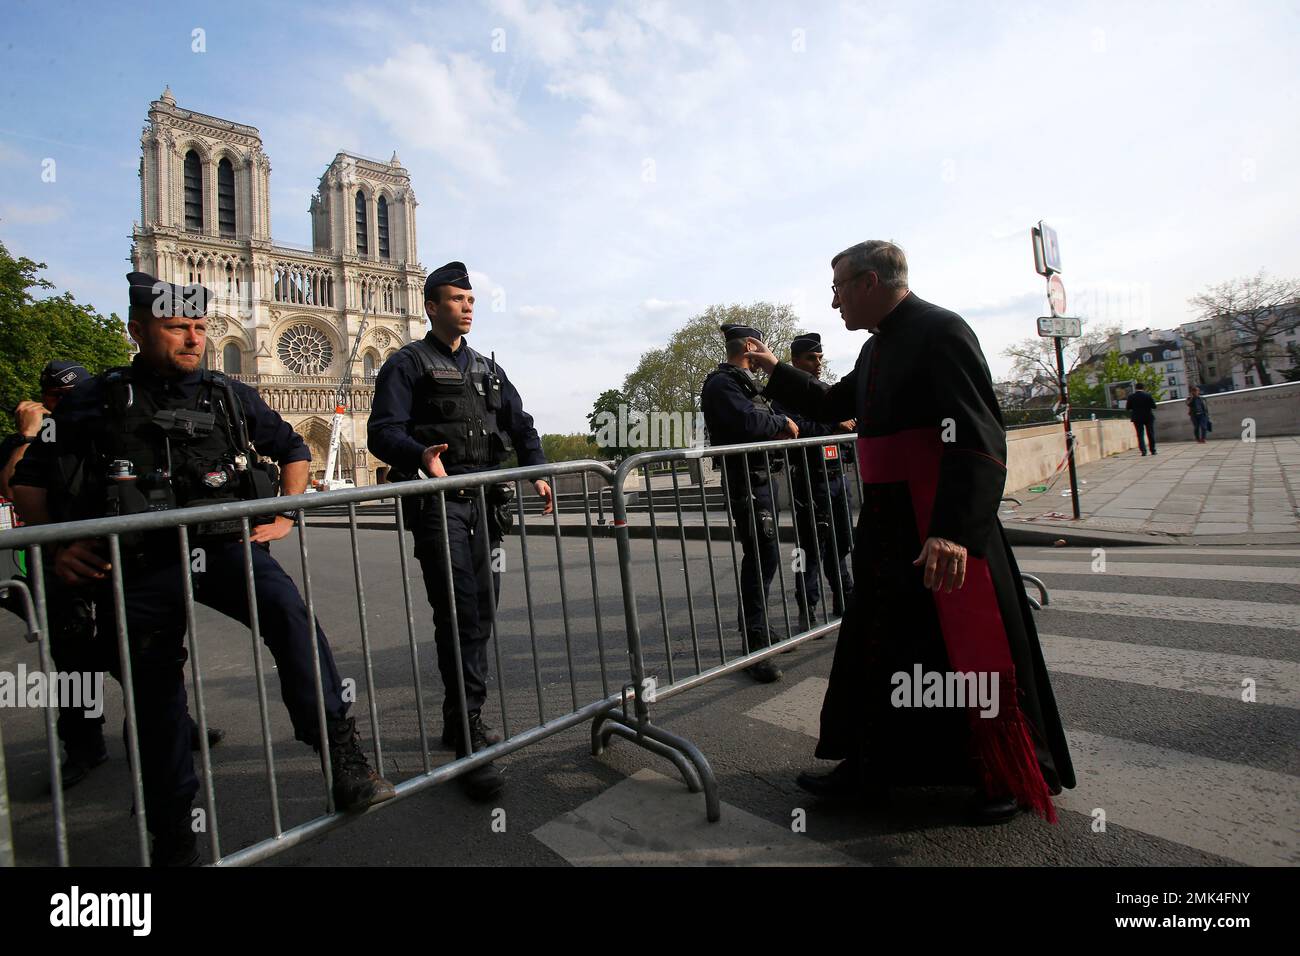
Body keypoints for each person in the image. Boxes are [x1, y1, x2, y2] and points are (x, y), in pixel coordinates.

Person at [11, 272, 394, 864]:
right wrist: (58, 546)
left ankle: (341, 754)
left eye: (198, 327)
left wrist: (286, 515)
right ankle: (173, 834)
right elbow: (31, 477)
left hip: (224, 547)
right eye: (176, 328)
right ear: (138, 331)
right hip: (135, 562)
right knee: (155, 695)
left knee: (293, 620)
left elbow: (293, 450)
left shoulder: (227, 393)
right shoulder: (98, 397)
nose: (192, 339)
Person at [749, 240, 1074, 825]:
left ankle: (995, 774)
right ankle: (870, 766)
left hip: (938, 523)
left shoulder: (941, 331)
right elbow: (829, 400)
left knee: (958, 656)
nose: (834, 302)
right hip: (887, 523)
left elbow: (977, 437)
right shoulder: (877, 350)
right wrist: (774, 368)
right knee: (878, 648)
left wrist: (953, 531)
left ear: (870, 282)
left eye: (839, 288)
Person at [368, 261, 553, 802]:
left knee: (482, 613)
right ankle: (471, 735)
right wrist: (418, 453)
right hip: (438, 505)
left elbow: (521, 424)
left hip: (485, 505)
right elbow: (383, 432)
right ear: (430, 305)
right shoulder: (407, 364)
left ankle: (458, 717)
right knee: (459, 611)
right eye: (455, 299)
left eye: (471, 299)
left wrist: (536, 469)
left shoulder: (488, 369)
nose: (466, 307)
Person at [700, 323, 798, 683]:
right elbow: (748, 421)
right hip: (745, 480)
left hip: (759, 477)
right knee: (761, 554)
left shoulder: (741, 383)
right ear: (751, 346)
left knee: (764, 554)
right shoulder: (721, 383)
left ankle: (757, 628)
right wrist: (781, 421)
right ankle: (755, 642)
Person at [768, 332, 856, 630]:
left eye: (820, 358)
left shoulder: (824, 392)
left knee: (841, 541)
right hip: (808, 478)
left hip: (836, 477)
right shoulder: (783, 395)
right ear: (795, 361)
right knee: (807, 550)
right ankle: (807, 607)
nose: (818, 364)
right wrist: (834, 425)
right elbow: (797, 428)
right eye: (811, 358)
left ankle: (844, 597)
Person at [1125, 381, 1157, 455]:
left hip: (1137, 417)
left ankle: (1143, 451)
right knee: (1150, 433)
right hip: (1148, 417)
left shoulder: (1131, 396)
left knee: (1140, 434)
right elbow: (1154, 406)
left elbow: (1128, 407)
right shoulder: (1148, 395)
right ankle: (1153, 450)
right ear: (1143, 388)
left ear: (1136, 388)